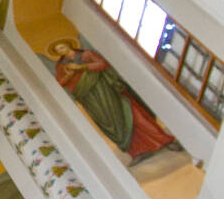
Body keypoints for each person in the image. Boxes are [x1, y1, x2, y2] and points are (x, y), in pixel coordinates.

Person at [48, 39, 176, 161]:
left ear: (69, 45)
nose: (61, 51)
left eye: (62, 47)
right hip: (89, 98)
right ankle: (138, 152)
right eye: (58, 50)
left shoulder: (86, 54)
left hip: (106, 90)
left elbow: (103, 64)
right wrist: (69, 75)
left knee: (133, 114)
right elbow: (60, 82)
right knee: (113, 124)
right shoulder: (61, 66)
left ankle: (164, 141)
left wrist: (82, 67)